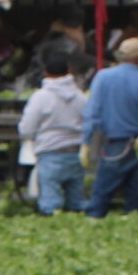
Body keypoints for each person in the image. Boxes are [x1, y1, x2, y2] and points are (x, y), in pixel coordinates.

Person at [83, 38, 138, 217]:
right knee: (136, 196)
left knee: (102, 193)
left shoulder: (102, 77)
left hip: (113, 144)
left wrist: (86, 143)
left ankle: (92, 227)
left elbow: (92, 113)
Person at [18, 55, 89, 214]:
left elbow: (27, 128)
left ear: (46, 73)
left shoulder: (41, 97)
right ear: (68, 72)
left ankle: (52, 228)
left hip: (50, 153)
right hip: (75, 153)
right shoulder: (80, 96)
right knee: (76, 201)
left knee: (50, 203)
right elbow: (89, 122)